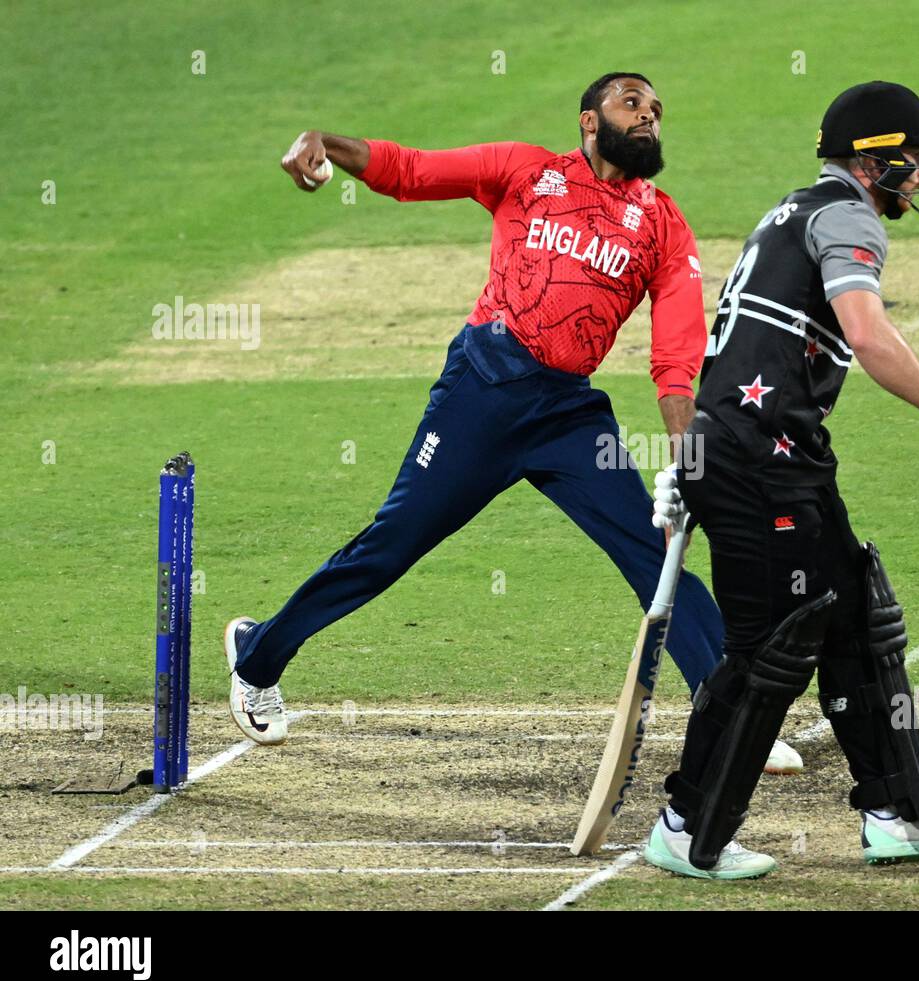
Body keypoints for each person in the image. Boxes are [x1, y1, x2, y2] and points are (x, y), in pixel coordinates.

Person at [224, 73, 801, 777]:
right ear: (589, 121)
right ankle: (257, 655)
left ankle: (733, 709)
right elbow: (409, 171)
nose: (648, 115)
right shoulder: (526, 170)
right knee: (391, 545)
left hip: (566, 413)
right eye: (632, 103)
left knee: (657, 553)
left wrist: (687, 464)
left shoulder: (662, 222)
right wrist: (324, 143)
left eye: (656, 109)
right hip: (482, 393)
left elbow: (676, 358)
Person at [643, 81, 919, 879]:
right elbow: (867, 334)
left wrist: (691, 460)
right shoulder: (846, 218)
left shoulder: (794, 210)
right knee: (770, 647)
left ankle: (898, 815)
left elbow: (732, 348)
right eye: (910, 159)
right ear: (871, 161)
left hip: (765, 455)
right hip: (759, 460)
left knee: (852, 616)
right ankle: (685, 826)